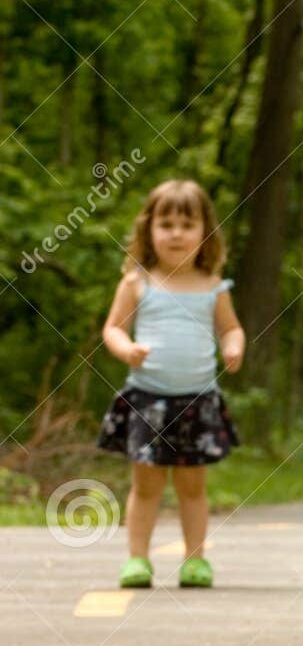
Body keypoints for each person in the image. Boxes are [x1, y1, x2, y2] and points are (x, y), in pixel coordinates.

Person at [99, 178, 244, 589]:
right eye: (166, 224)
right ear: (149, 230)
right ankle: (137, 559)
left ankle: (196, 560)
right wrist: (126, 349)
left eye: (187, 223)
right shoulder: (137, 282)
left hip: (197, 399)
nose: (176, 233)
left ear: (205, 232)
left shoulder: (213, 287)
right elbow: (112, 328)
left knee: (192, 486)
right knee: (145, 485)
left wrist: (233, 347)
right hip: (148, 399)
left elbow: (231, 329)